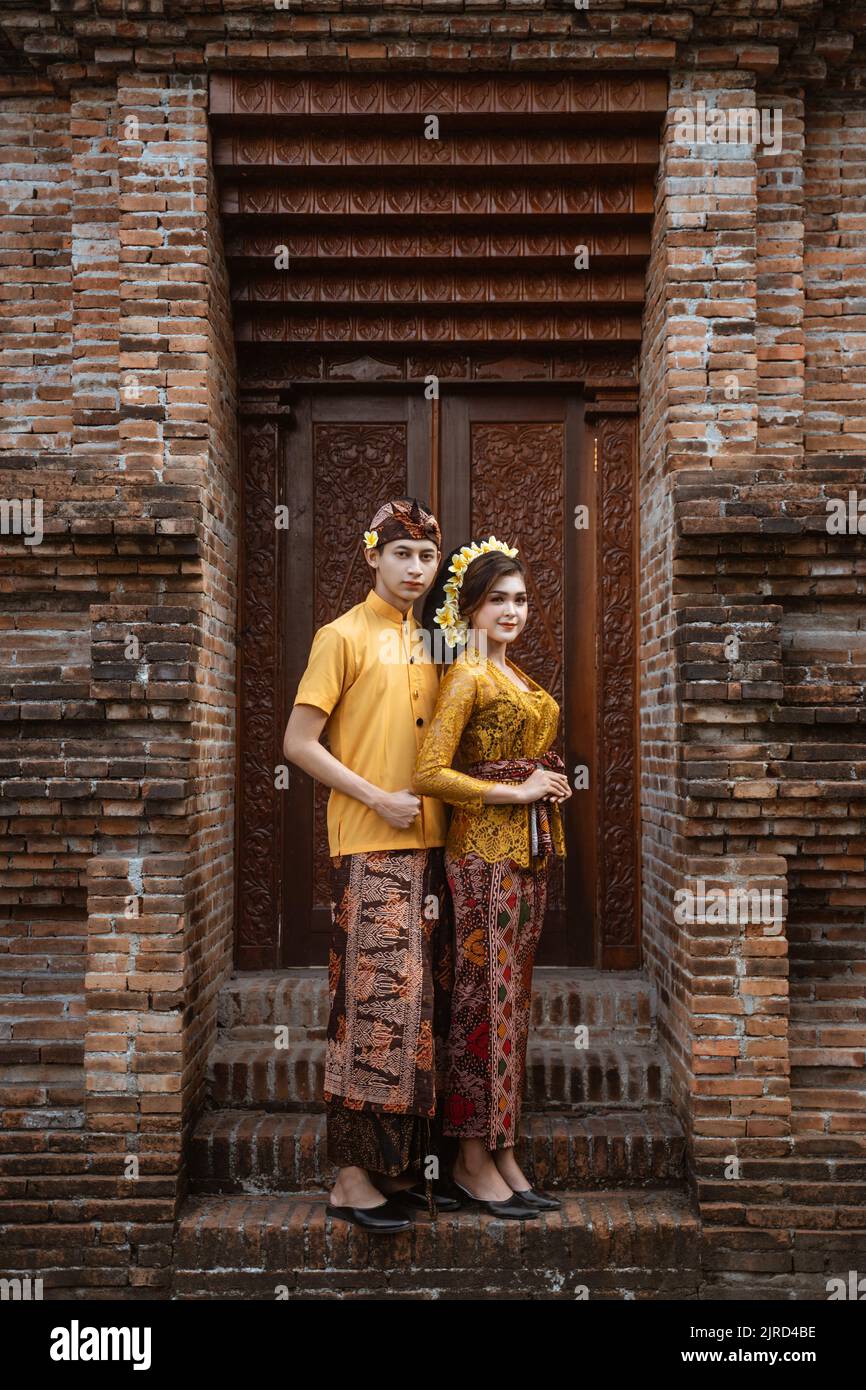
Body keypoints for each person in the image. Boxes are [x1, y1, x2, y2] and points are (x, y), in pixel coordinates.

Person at [283, 497, 459, 1233]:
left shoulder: (439, 643)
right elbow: (298, 744)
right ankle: (350, 1179)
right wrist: (376, 797)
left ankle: (397, 1171)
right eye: (402, 554)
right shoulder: (342, 636)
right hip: (370, 845)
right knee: (372, 1012)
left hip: (435, 851)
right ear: (373, 556)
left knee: (420, 1015)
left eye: (426, 556)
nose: (415, 568)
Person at [412, 537, 572, 1219]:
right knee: (480, 1001)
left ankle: (503, 1147)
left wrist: (545, 786)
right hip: (479, 857)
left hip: (524, 858)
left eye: (521, 598)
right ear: (469, 609)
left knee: (513, 1004)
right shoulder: (469, 676)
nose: (513, 610)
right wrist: (516, 791)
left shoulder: (518, 676)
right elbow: (428, 773)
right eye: (498, 599)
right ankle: (469, 1160)